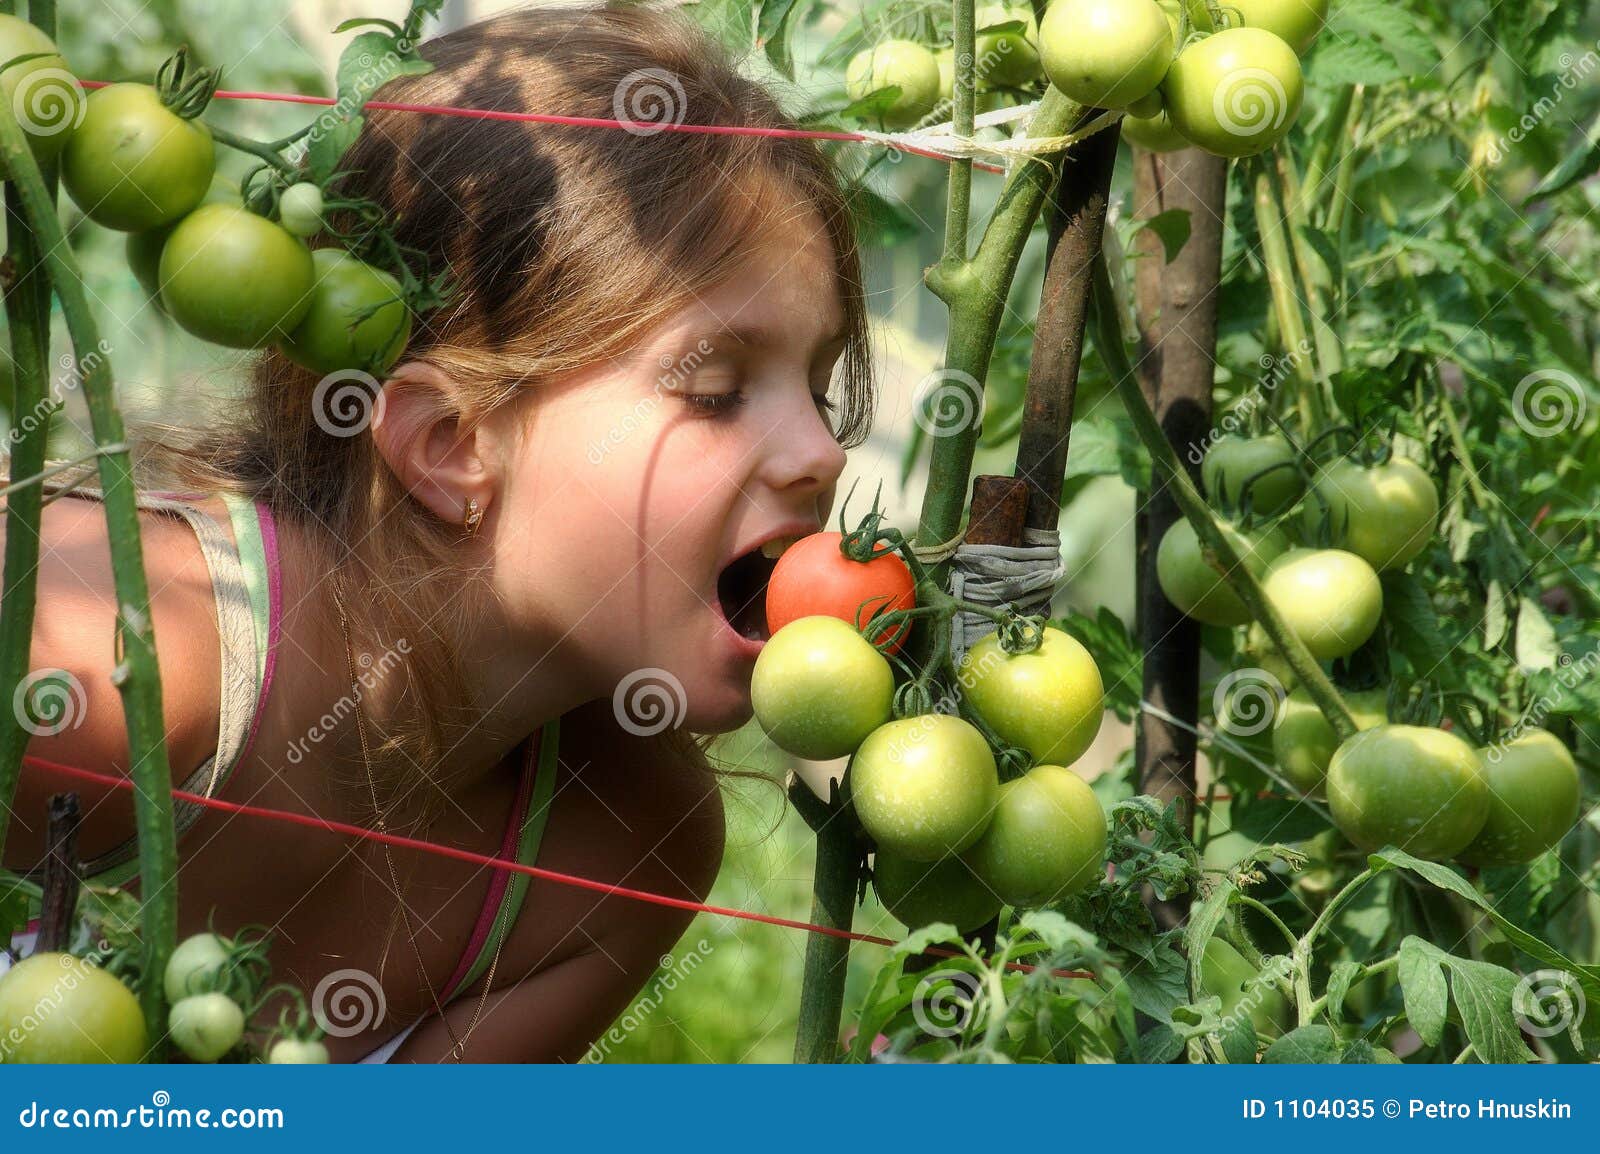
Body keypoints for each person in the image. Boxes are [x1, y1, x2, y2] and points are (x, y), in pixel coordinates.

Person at [1, 1, 876, 1062]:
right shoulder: (101, 669)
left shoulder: (622, 853)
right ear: (451, 442)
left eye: (820, 385)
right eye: (720, 387)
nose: (821, 453)